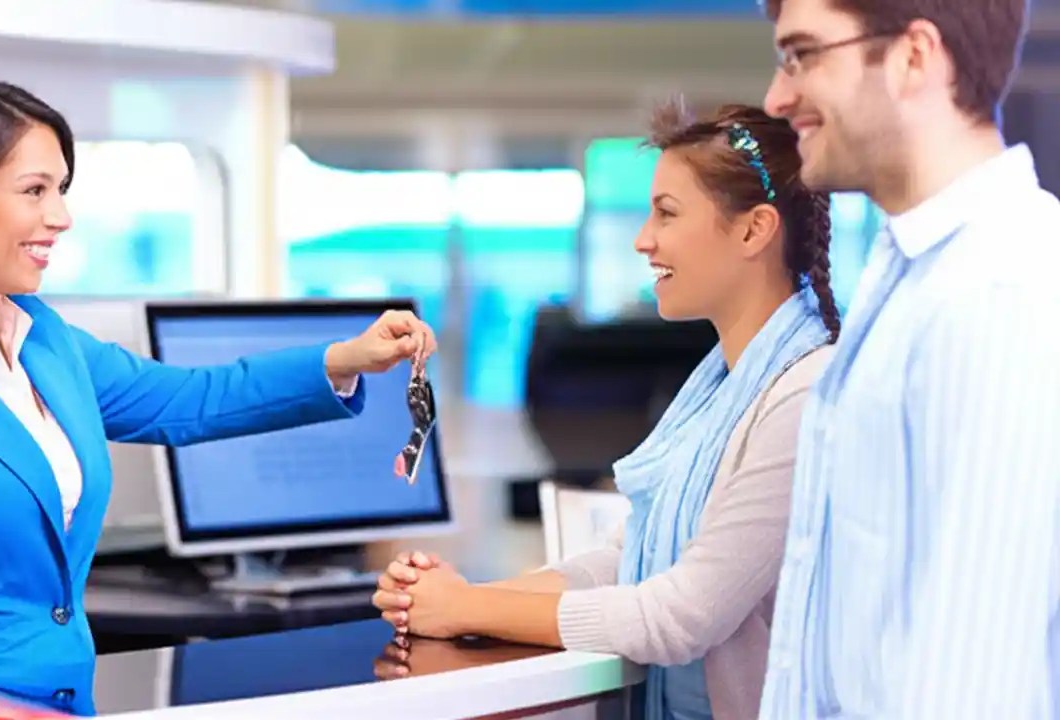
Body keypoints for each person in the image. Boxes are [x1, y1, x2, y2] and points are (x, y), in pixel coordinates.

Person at [0, 77, 436, 716]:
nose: (61, 217)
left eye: (61, 190)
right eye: (34, 191)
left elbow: (191, 399)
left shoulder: (48, 343)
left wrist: (346, 360)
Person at [373, 102, 839, 720]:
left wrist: (465, 610)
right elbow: (631, 556)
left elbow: (679, 615)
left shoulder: (805, 394)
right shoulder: (721, 385)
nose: (644, 239)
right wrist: (451, 595)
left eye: (667, 214)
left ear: (754, 231)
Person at [757, 1, 1060, 718]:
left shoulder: (997, 287)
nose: (778, 97)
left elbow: (971, 685)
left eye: (803, 55)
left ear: (915, 57)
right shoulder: (914, 276)